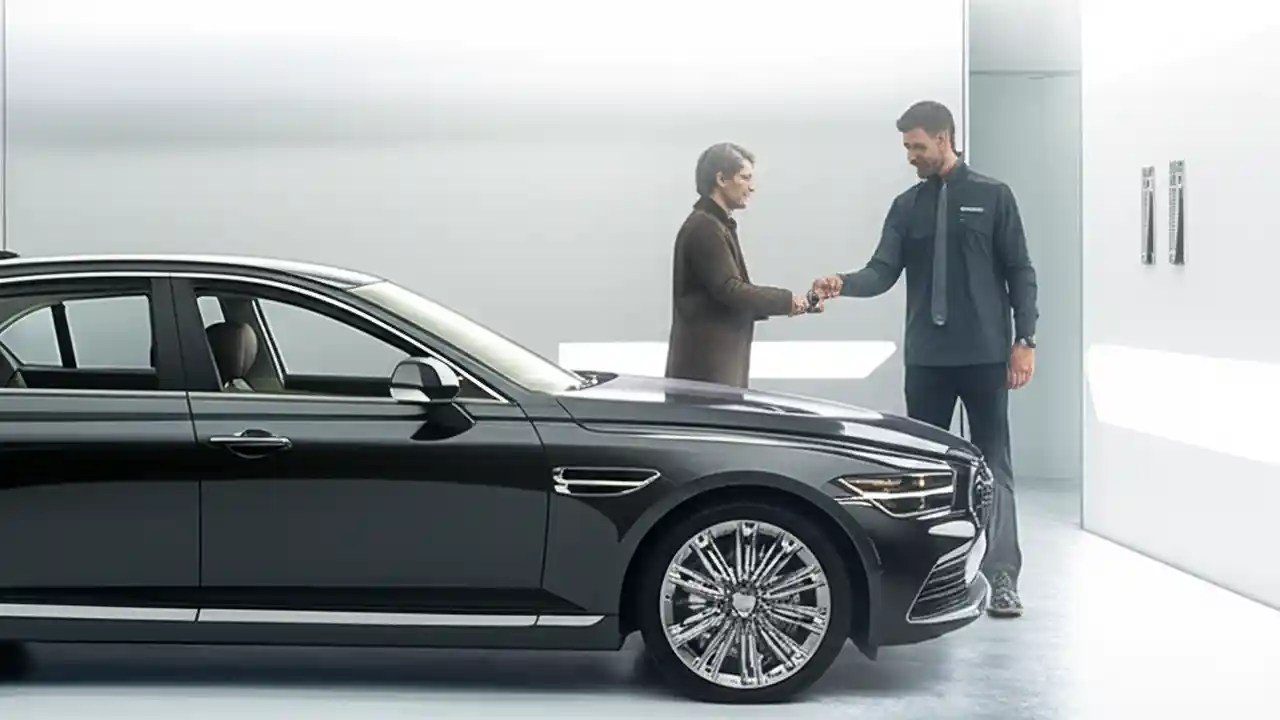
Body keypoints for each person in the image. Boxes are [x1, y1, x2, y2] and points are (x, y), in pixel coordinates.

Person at [811, 101, 1038, 618]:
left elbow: (1020, 270)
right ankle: (923, 581)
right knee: (922, 471)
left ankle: (1002, 577)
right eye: (907, 148)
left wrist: (1025, 339)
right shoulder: (905, 206)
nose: (911, 156)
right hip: (929, 360)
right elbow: (882, 271)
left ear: (943, 138)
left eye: (917, 146)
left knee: (993, 464)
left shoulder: (993, 197)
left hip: (984, 357)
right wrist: (842, 284)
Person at [665, 142, 816, 388]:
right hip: (707, 372)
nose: (752, 187)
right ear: (722, 179)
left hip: (710, 369)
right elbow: (729, 290)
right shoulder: (705, 228)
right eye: (745, 178)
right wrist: (789, 301)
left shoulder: (713, 224)